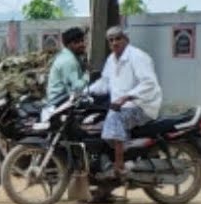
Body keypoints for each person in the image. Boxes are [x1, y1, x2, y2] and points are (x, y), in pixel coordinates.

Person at [87, 26, 161, 178]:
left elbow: (149, 83)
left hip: (142, 105)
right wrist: (84, 92)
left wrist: (127, 97)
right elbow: (105, 83)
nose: (115, 43)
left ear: (126, 39)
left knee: (114, 117)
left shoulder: (138, 57)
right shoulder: (111, 59)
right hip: (121, 106)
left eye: (118, 39)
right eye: (111, 40)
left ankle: (119, 166)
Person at [44, 26, 90, 115]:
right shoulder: (69, 61)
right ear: (68, 45)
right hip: (59, 102)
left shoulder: (70, 56)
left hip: (63, 98)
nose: (82, 44)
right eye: (77, 42)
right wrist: (87, 75)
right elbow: (76, 87)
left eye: (82, 41)